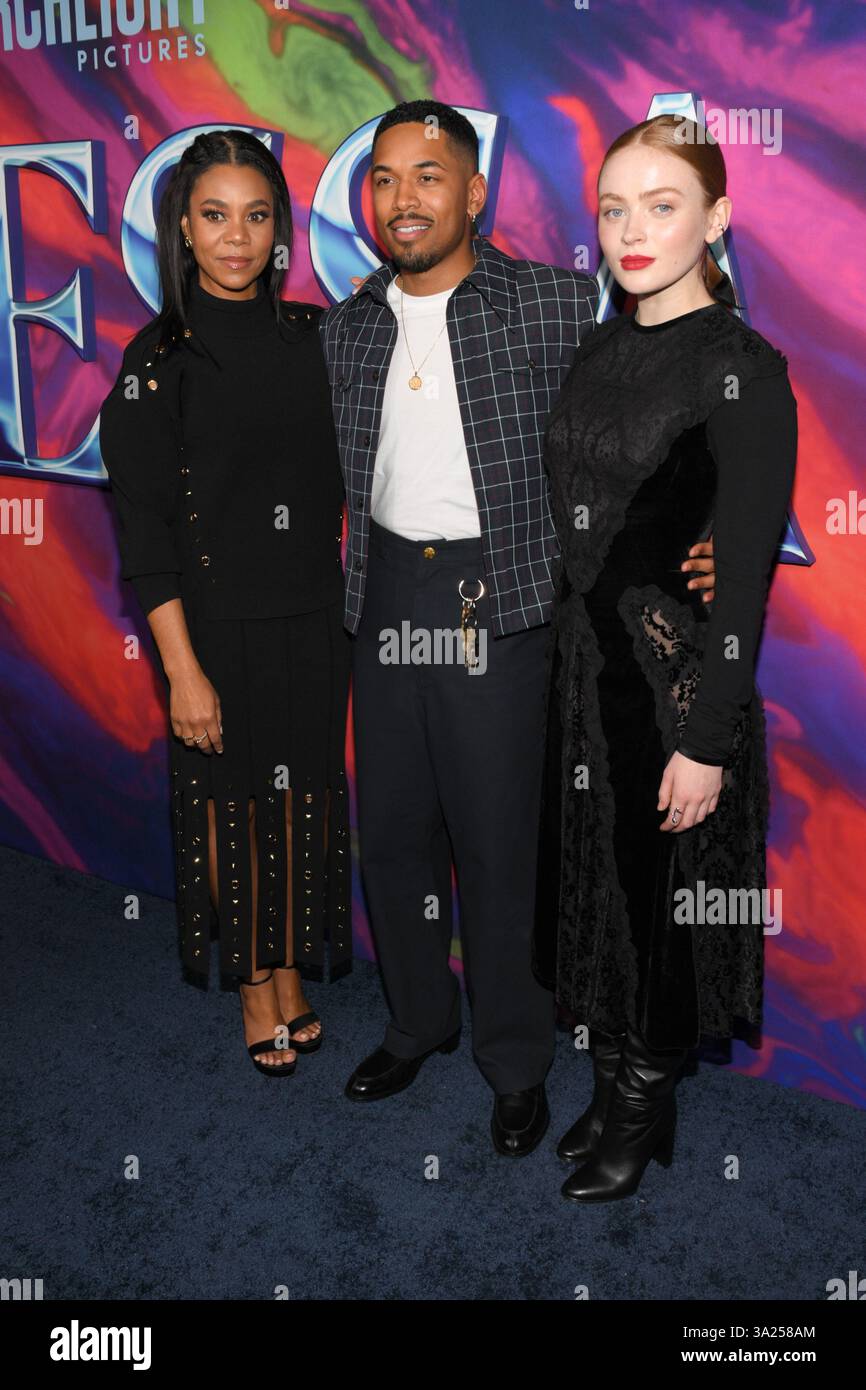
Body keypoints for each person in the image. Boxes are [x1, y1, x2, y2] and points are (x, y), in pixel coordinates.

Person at [319, 101, 716, 1155]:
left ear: (474, 193)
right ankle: (416, 1021)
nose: (405, 199)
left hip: (495, 598)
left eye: (429, 176)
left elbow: (646, 411)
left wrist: (697, 526)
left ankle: (514, 1060)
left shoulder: (549, 304)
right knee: (397, 835)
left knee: (499, 846)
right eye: (386, 179)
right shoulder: (346, 321)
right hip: (384, 594)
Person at [533, 114, 798, 1200]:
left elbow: (740, 580)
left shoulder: (741, 369)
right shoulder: (598, 341)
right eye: (611, 208)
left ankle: (642, 1106)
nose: (629, 230)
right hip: (577, 679)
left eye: (661, 205)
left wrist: (705, 738)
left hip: (666, 691)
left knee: (658, 906)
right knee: (595, 890)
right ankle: (607, 1084)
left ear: (715, 218)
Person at [99, 130, 352, 1077]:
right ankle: (252, 980)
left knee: (300, 804)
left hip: (313, 619)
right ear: (183, 229)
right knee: (227, 804)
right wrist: (182, 671)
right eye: (214, 216)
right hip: (211, 627)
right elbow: (149, 535)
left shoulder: (314, 339)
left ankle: (289, 966)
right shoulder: (156, 359)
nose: (236, 238)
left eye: (255, 216)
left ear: (280, 229)